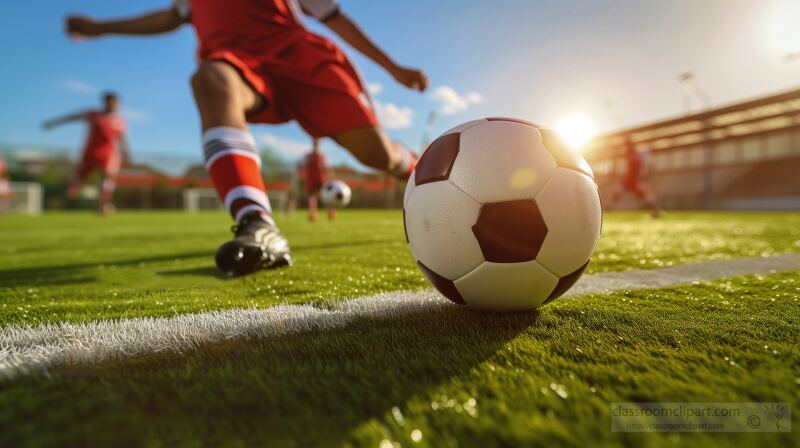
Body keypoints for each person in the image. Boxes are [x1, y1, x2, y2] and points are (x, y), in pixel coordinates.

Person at [65, 0, 428, 276]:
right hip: (238, 63)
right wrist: (101, 27)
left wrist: (393, 68)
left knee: (376, 154)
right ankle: (257, 223)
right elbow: (169, 17)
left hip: (301, 59)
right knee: (211, 80)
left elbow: (333, 17)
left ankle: (421, 171)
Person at [43, 92, 129, 215]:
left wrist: (126, 154)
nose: (114, 105)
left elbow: (123, 139)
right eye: (110, 102)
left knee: (108, 177)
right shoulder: (93, 114)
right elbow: (72, 117)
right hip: (90, 152)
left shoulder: (119, 121)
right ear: (105, 102)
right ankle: (65, 199)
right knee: (77, 180)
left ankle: (102, 205)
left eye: (116, 103)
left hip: (109, 154)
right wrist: (53, 123)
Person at [608, 140, 663, 217]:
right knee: (618, 190)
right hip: (629, 179)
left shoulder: (640, 153)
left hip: (637, 180)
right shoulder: (629, 154)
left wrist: (645, 176)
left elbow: (647, 165)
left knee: (646, 194)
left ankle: (656, 210)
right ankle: (610, 207)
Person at [304, 139, 336, 222]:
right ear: (313, 145)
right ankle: (313, 214)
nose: (316, 146)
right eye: (315, 144)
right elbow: (305, 166)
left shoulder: (322, 156)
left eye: (317, 144)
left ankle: (330, 211)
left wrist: (330, 173)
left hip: (321, 178)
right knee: (312, 196)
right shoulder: (309, 156)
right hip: (311, 178)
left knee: (325, 194)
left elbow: (326, 166)